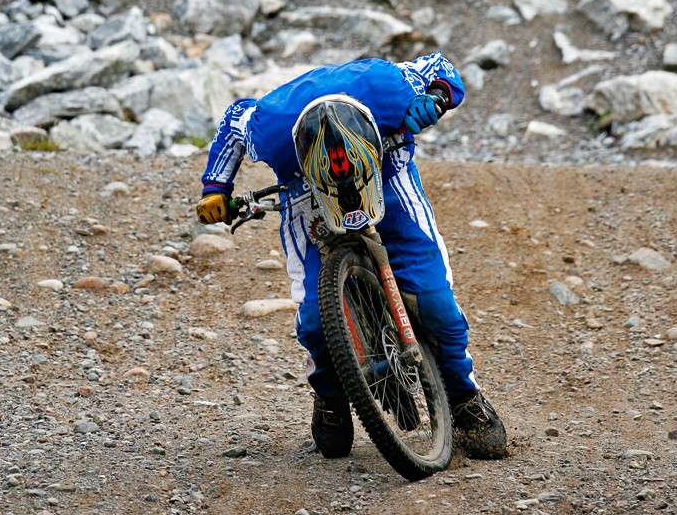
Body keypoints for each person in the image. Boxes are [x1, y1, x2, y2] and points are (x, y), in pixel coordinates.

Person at [196, 50, 507, 460]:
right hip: (307, 195)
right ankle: (329, 397)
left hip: (388, 178)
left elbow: (439, 67)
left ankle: (464, 396)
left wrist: (435, 97)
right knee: (313, 320)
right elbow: (236, 119)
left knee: (435, 303)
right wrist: (215, 188)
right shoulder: (271, 127)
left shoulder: (385, 87)